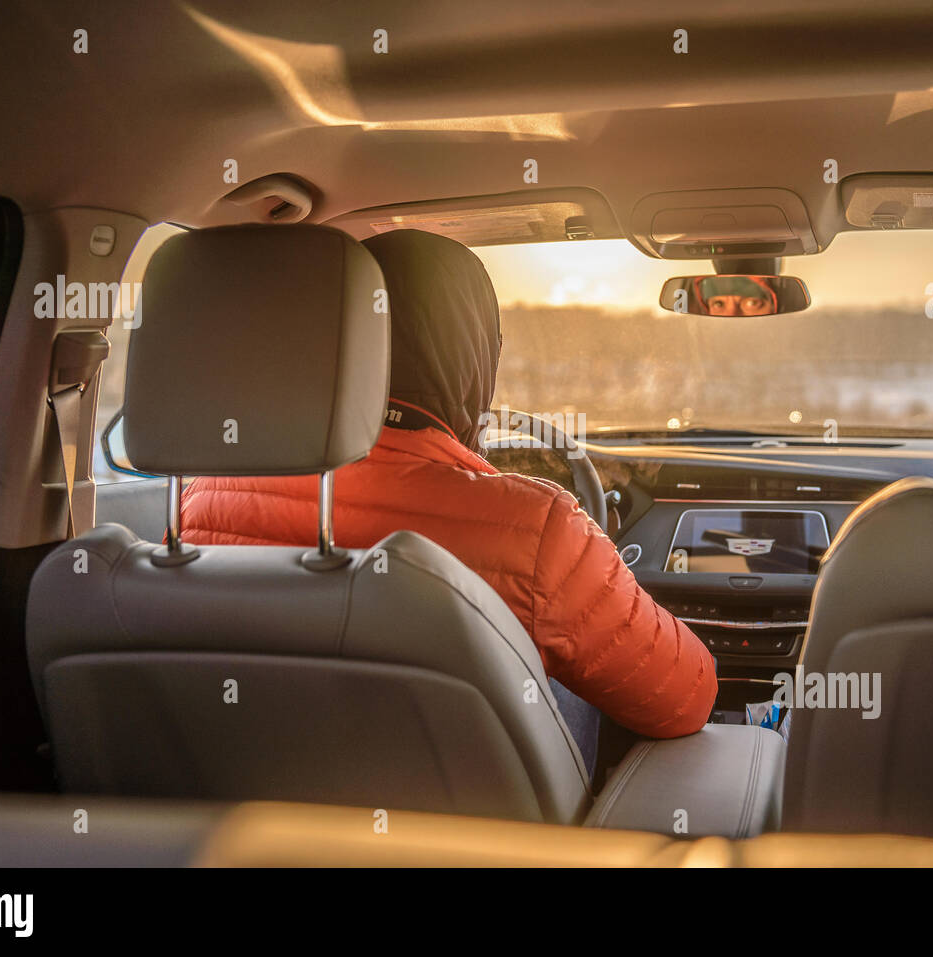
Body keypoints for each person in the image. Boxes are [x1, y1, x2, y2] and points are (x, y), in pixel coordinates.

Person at [178, 229, 718, 774]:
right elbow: (688, 698)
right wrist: (596, 568)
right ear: (473, 357)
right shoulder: (537, 529)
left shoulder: (204, 499)